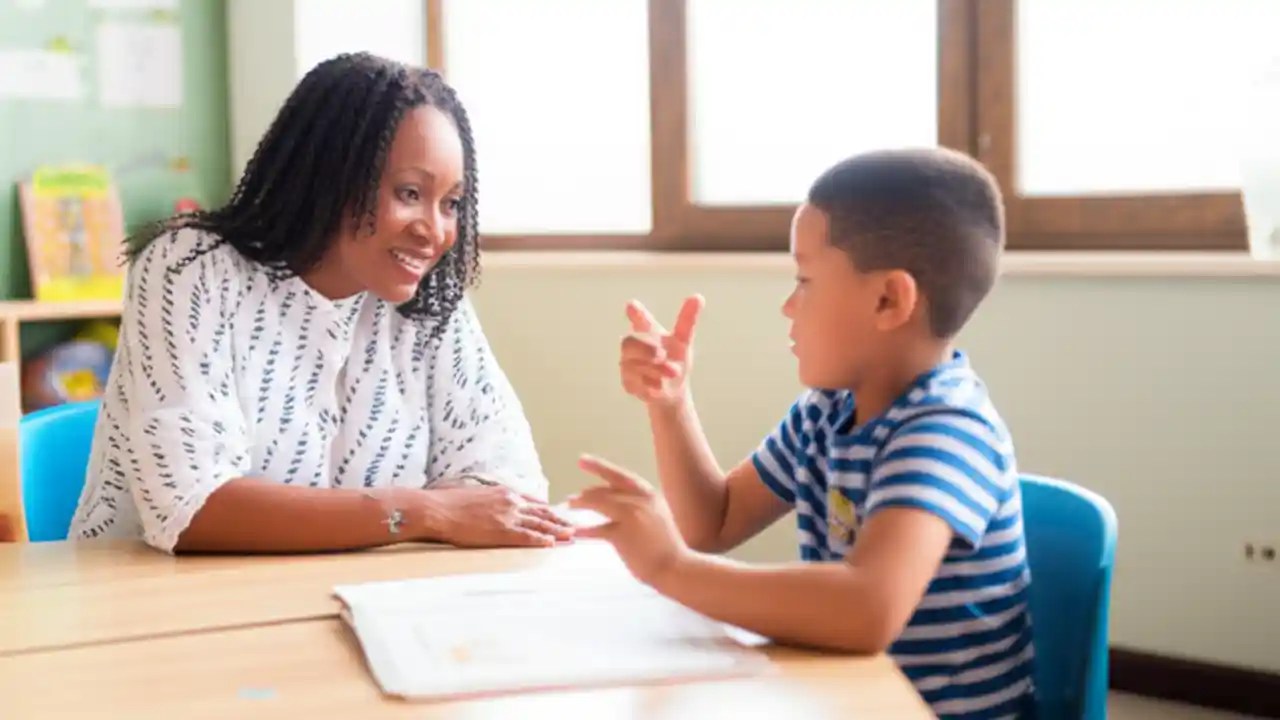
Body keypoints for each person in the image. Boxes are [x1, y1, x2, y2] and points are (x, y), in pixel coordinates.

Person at [571, 148, 1035, 718]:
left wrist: (671, 569)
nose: (789, 306)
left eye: (805, 279)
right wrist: (669, 403)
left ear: (889, 299)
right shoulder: (827, 412)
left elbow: (868, 610)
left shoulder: (947, 429)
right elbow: (711, 523)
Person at [69, 53, 572, 554]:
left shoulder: (430, 299)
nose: (434, 230)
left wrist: (421, 516)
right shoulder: (190, 267)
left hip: (349, 598)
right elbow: (191, 509)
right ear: (330, 175)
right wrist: (427, 512)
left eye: (451, 204)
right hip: (152, 606)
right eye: (410, 192)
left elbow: (512, 490)